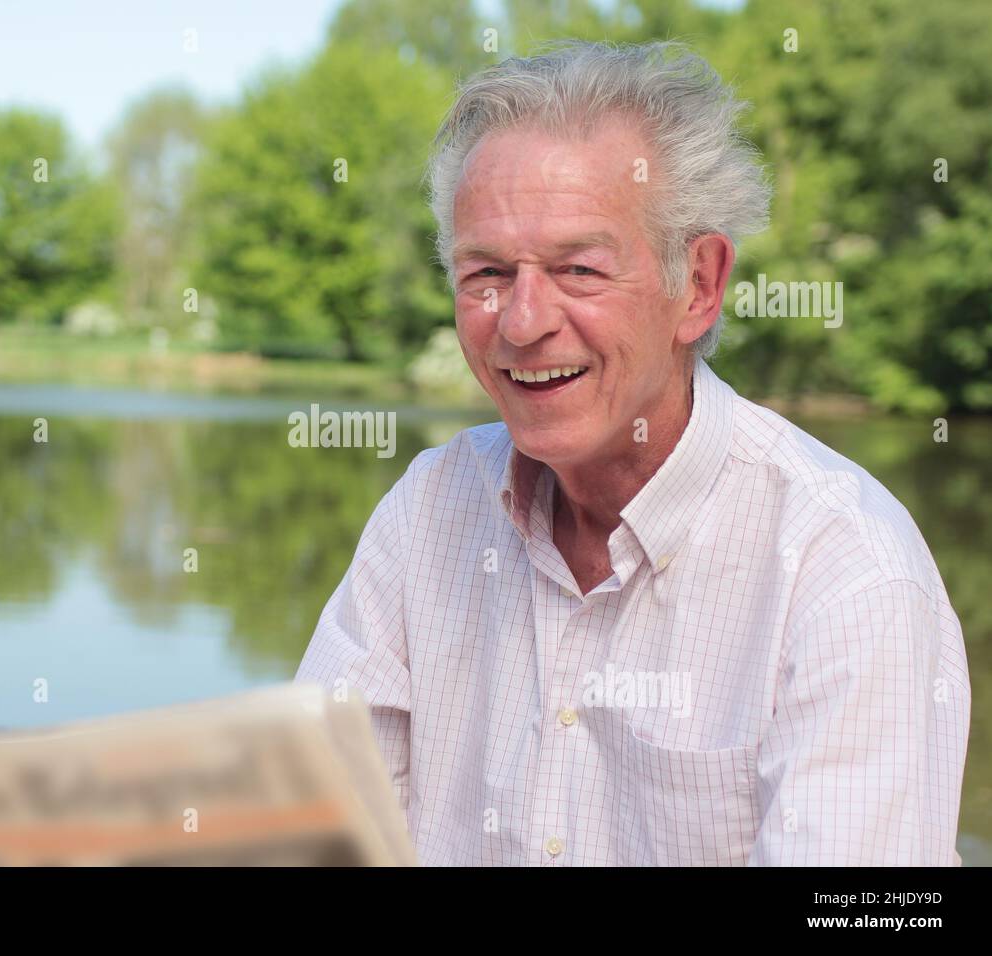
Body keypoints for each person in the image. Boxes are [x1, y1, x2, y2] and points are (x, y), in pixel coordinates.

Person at [294, 40, 970, 865]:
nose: (521, 321)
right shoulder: (427, 510)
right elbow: (310, 836)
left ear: (699, 284)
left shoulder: (846, 570)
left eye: (579, 268)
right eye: (488, 272)